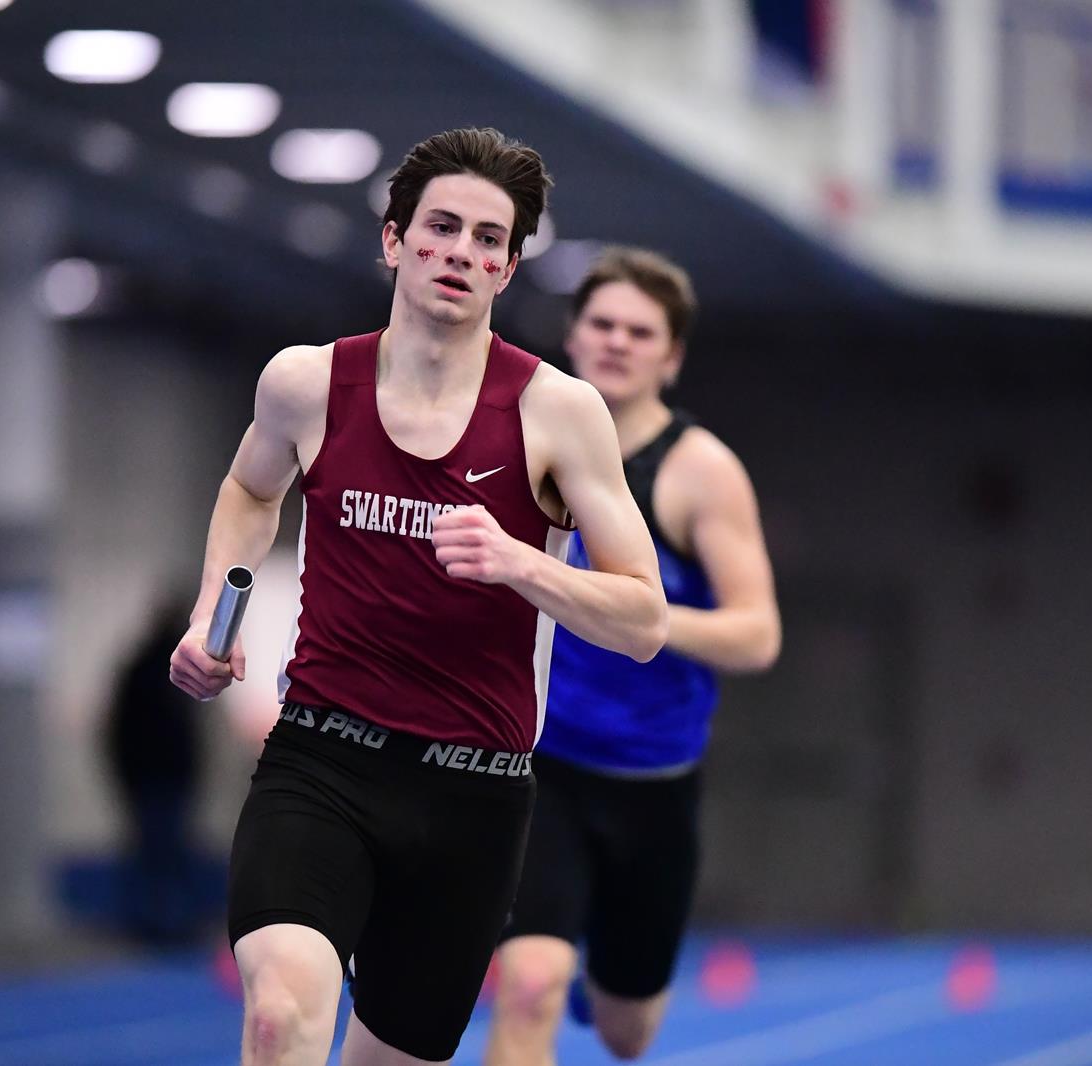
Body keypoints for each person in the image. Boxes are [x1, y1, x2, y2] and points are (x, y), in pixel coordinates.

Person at [168, 128, 668, 1066]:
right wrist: (213, 614)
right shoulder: (306, 382)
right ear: (394, 241)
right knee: (279, 1014)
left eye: (490, 240)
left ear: (508, 270)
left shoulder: (557, 413)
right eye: (442, 227)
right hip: (322, 758)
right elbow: (251, 489)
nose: (462, 254)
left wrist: (526, 562)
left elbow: (643, 619)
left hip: (472, 793)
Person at [483, 248, 781, 1065]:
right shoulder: (522, 440)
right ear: (573, 336)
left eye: (640, 331)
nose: (617, 341)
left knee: (626, 1031)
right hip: (542, 766)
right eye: (602, 323)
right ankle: (555, 961)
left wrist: (628, 613)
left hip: (654, 785)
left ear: (671, 356)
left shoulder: (700, 472)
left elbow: (757, 634)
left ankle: (606, 986)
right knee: (528, 986)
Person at [103, 596, 209, 947]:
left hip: (164, 777)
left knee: (166, 853)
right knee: (156, 852)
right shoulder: (147, 670)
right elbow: (120, 729)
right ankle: (152, 924)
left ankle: (167, 924)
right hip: (154, 778)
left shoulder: (173, 672)